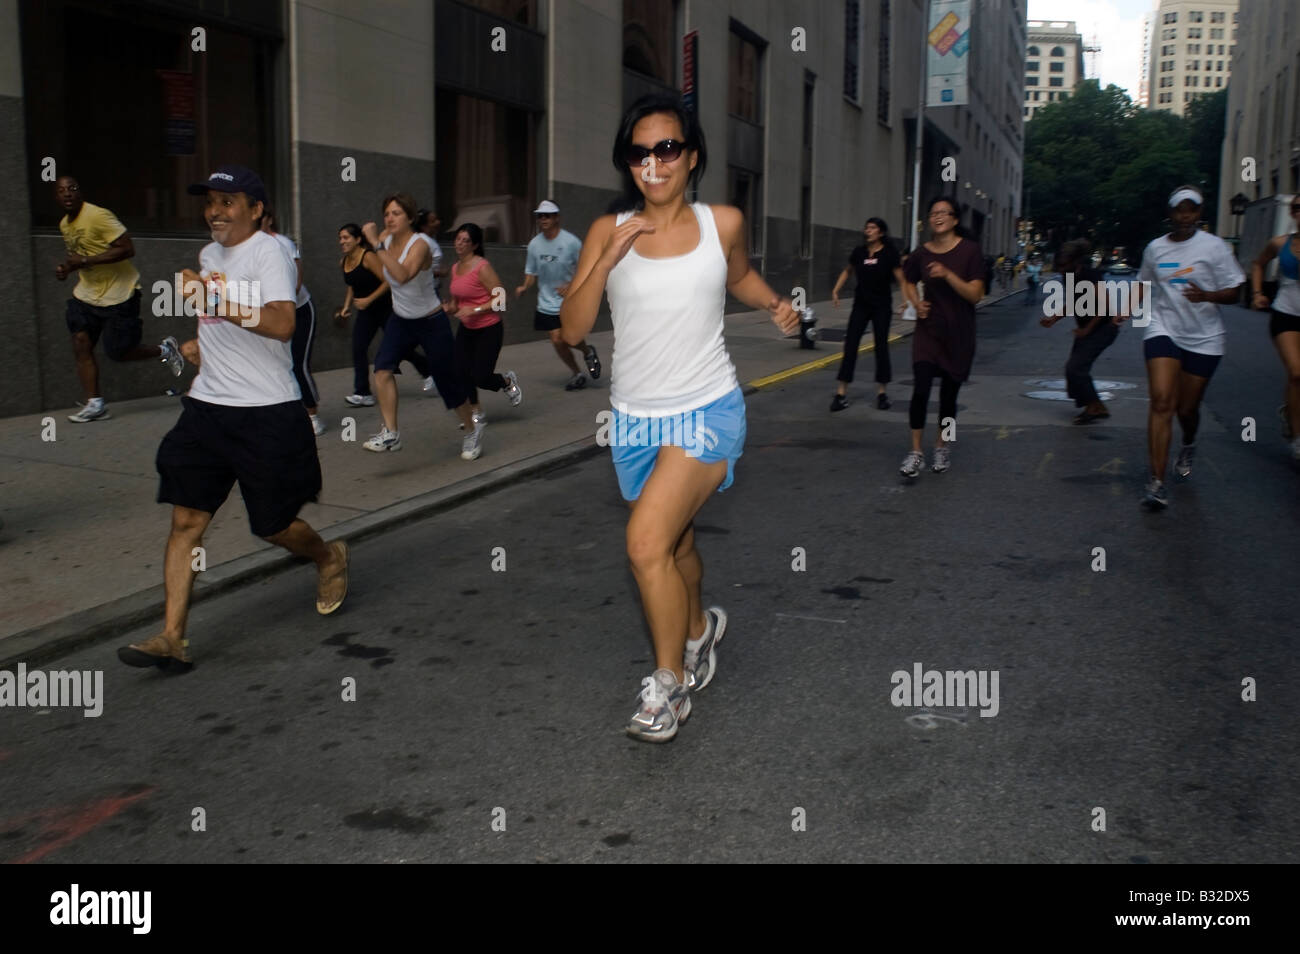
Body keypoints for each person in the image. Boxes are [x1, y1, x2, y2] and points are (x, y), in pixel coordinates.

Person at [561, 93, 799, 742]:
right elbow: (572, 329)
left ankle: (668, 686)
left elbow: (738, 276)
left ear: (691, 157)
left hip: (707, 409)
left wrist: (774, 303)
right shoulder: (607, 231)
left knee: (645, 543)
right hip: (634, 421)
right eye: (639, 152)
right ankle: (699, 627)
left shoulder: (723, 222)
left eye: (667, 148)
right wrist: (605, 261)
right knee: (676, 544)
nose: (654, 162)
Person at [117, 165, 348, 673]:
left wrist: (213, 299)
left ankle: (327, 556)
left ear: (256, 209)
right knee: (186, 520)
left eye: (227, 202)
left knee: (274, 526)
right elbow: (223, 321)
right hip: (208, 407)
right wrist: (203, 343)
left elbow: (282, 323)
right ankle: (172, 638)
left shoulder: (271, 251)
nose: (214, 212)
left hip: (266, 410)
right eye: (210, 203)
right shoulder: (208, 256)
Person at [1123, 186, 1244, 510]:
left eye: (1191, 210)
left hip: (1205, 337)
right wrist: (1126, 309)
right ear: (1171, 213)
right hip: (1163, 327)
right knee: (1162, 400)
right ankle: (1157, 483)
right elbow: (1143, 283)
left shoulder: (1215, 247)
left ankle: (1188, 442)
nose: (1185, 216)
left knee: (1187, 410)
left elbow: (1236, 291)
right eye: (1180, 210)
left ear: (1199, 213)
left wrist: (1208, 296)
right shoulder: (1155, 248)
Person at [55, 175, 183, 422]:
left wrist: (84, 261)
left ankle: (165, 349)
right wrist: (67, 268)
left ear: (80, 192)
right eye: (61, 190)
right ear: (57, 197)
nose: (67, 193)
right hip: (87, 295)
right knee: (80, 341)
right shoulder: (64, 225)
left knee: (119, 352)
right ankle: (95, 404)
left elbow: (127, 248)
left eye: (72, 188)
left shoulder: (97, 216)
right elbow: (79, 256)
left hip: (120, 294)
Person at [359, 193, 476, 454]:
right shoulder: (385, 239)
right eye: (386, 214)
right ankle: (391, 434)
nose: (390, 218)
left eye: (396, 213)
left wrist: (376, 244)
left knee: (446, 382)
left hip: (431, 321)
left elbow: (402, 275)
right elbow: (384, 271)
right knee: (382, 370)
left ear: (410, 217)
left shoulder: (420, 245)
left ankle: (471, 429)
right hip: (401, 319)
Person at [897, 196, 986, 478]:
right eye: (933, 213)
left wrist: (947, 274)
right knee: (920, 391)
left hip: (959, 334)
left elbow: (975, 295)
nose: (937, 217)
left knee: (949, 397)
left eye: (943, 213)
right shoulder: (921, 254)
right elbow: (907, 280)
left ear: (955, 219)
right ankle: (915, 452)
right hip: (928, 332)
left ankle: (941, 446)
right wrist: (915, 303)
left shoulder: (970, 251)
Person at [444, 222, 522, 460]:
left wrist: (475, 309)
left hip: (489, 328)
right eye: (458, 238)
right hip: (467, 329)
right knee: (460, 372)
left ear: (475, 245)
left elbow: (501, 298)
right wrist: (450, 308)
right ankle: (476, 412)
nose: (459, 243)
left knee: (480, 375)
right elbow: (457, 300)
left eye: (465, 240)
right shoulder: (455, 268)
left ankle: (506, 381)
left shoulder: (482, 267)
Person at [334, 223, 432, 407]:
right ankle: (363, 393)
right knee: (358, 348)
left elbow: (388, 281)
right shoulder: (344, 262)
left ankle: (429, 371)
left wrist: (368, 299)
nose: (342, 241)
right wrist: (346, 306)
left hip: (385, 308)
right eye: (340, 238)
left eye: (346, 237)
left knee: (401, 347)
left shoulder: (368, 257)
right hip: (366, 312)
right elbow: (352, 285)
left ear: (358, 239)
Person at [516, 201, 601, 390]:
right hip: (546, 302)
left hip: (570, 300)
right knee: (557, 340)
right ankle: (577, 373)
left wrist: (571, 285)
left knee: (569, 338)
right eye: (540, 216)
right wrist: (525, 286)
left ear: (557, 218)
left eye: (547, 215)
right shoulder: (534, 245)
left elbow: (587, 267)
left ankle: (587, 351)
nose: (543, 219)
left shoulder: (571, 242)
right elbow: (531, 272)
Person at [1040, 239, 1120, 424]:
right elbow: (1074, 302)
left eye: (1063, 265)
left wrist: (1086, 329)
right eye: (1058, 266)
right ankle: (1095, 406)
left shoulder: (1091, 275)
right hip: (1088, 330)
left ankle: (1095, 407)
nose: (1060, 269)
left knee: (1075, 368)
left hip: (1104, 328)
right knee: (1073, 370)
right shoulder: (1069, 277)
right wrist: (1054, 318)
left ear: (1076, 261)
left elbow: (1105, 306)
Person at [261, 208, 324, 435]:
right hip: (271, 314)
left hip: (300, 311)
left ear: (269, 219)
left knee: (298, 363)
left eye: (260, 218)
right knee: (274, 364)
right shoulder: (250, 248)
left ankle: (313, 415)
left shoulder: (283, 244)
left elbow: (296, 282)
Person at [829, 217, 903, 411]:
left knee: (881, 346)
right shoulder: (859, 252)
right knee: (850, 345)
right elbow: (848, 271)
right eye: (867, 228)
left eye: (872, 228)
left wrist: (906, 299)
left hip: (881, 306)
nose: (868, 231)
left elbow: (901, 278)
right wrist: (836, 290)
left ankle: (882, 394)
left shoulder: (889, 254)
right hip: (861, 304)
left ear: (881, 232)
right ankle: (841, 394)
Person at [1249, 198, 1300, 461]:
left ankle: (1290, 410)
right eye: (1298, 208)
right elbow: (1258, 264)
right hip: (1285, 314)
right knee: (1297, 373)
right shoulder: (1280, 243)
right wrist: (1258, 293)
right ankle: (1297, 437)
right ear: (1292, 213)